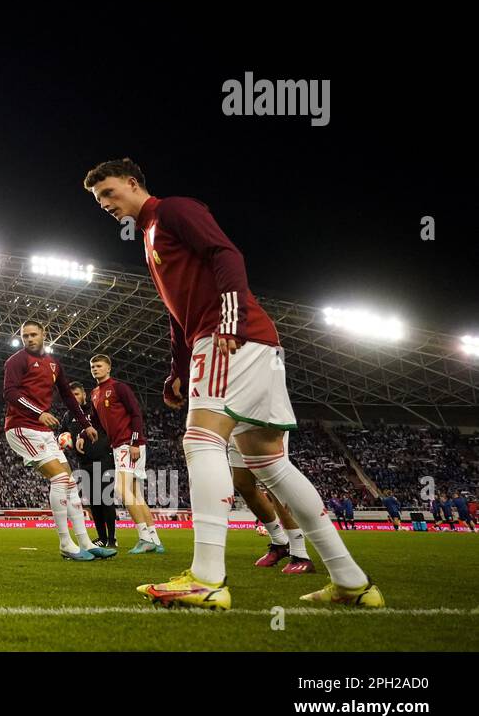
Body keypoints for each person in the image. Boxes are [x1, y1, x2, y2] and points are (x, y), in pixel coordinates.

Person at [84, 157, 382, 608]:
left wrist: (228, 325)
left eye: (108, 192)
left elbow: (227, 255)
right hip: (245, 342)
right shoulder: (146, 235)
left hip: (229, 339)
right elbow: (176, 313)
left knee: (200, 441)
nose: (104, 203)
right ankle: (350, 580)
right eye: (97, 199)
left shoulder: (174, 210)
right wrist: (178, 371)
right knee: (271, 467)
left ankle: (206, 578)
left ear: (131, 183)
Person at [2, 320, 115, 561]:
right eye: (25, 336)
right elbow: (10, 392)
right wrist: (39, 412)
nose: (29, 339)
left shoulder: (53, 363)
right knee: (61, 478)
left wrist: (86, 424)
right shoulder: (16, 361)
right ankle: (66, 543)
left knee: (71, 483)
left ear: (44, 335)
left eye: (34, 334)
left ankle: (85, 542)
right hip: (22, 427)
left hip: (42, 429)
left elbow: (67, 394)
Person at [88, 354, 163, 554]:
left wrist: (135, 441)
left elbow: (135, 412)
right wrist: (82, 433)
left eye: (99, 365)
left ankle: (144, 537)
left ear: (108, 368)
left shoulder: (118, 387)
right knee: (137, 494)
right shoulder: (94, 393)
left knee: (121, 490)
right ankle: (155, 539)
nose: (95, 369)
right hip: (120, 445)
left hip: (128, 444)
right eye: (93, 366)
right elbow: (95, 422)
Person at [68, 381, 117, 548]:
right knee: (94, 502)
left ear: (83, 395)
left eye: (76, 394)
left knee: (106, 500)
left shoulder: (94, 409)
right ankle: (102, 538)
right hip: (84, 463)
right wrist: (64, 439)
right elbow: (64, 435)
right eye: (71, 395)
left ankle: (112, 539)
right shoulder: (68, 416)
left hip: (103, 459)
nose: (74, 398)